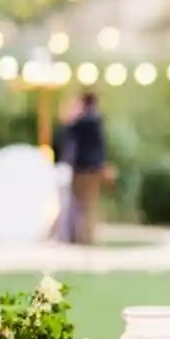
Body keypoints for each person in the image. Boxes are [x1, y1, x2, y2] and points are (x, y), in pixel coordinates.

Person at [59, 92, 108, 245]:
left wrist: (70, 114)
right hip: (94, 168)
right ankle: (86, 236)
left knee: (80, 203)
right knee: (89, 203)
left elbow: (66, 130)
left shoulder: (83, 122)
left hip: (82, 167)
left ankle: (82, 237)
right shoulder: (98, 121)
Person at [52, 95, 83, 243]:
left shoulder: (67, 130)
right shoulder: (67, 130)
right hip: (64, 168)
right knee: (65, 202)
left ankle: (68, 233)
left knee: (69, 203)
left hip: (65, 167)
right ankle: (63, 234)